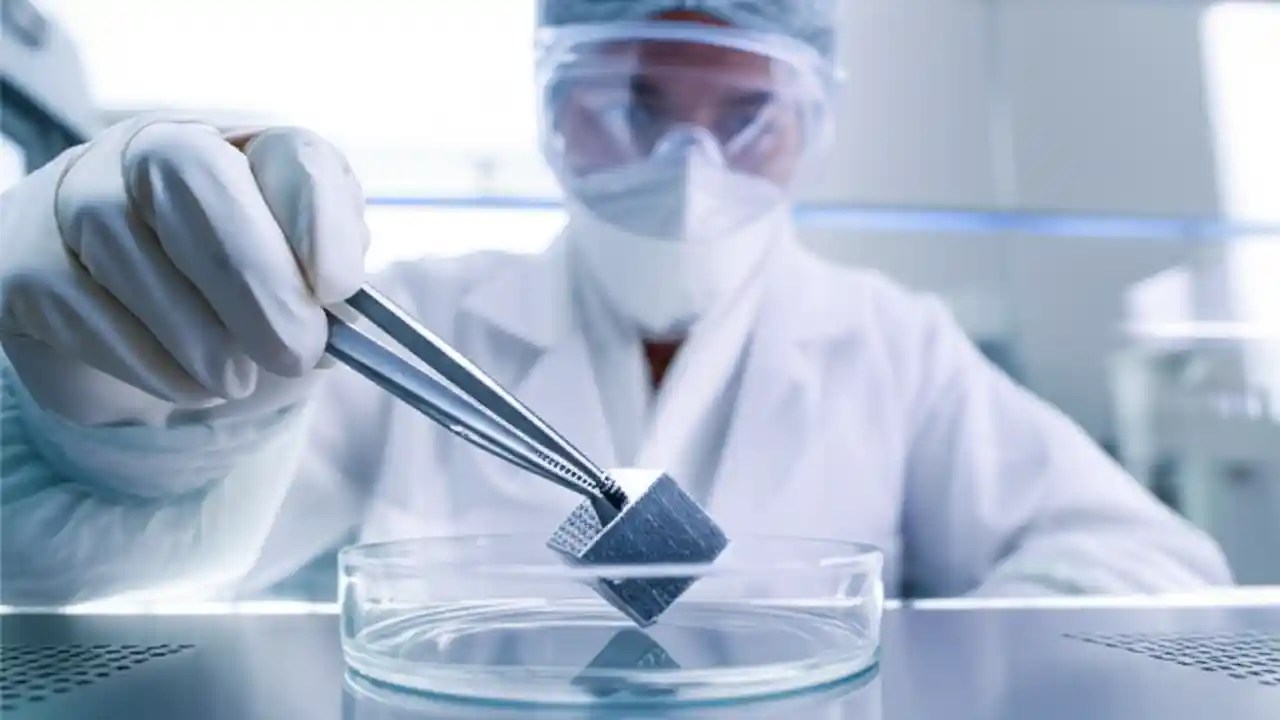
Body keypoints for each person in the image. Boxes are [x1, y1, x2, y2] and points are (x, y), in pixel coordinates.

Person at [0, 0, 1230, 604]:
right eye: (634, 102)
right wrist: (133, 416)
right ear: (551, 108)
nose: (687, 167)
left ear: (810, 127)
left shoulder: (887, 345)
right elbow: (135, 561)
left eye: (746, 114)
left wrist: (896, 672)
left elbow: (1149, 564)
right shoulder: (420, 319)